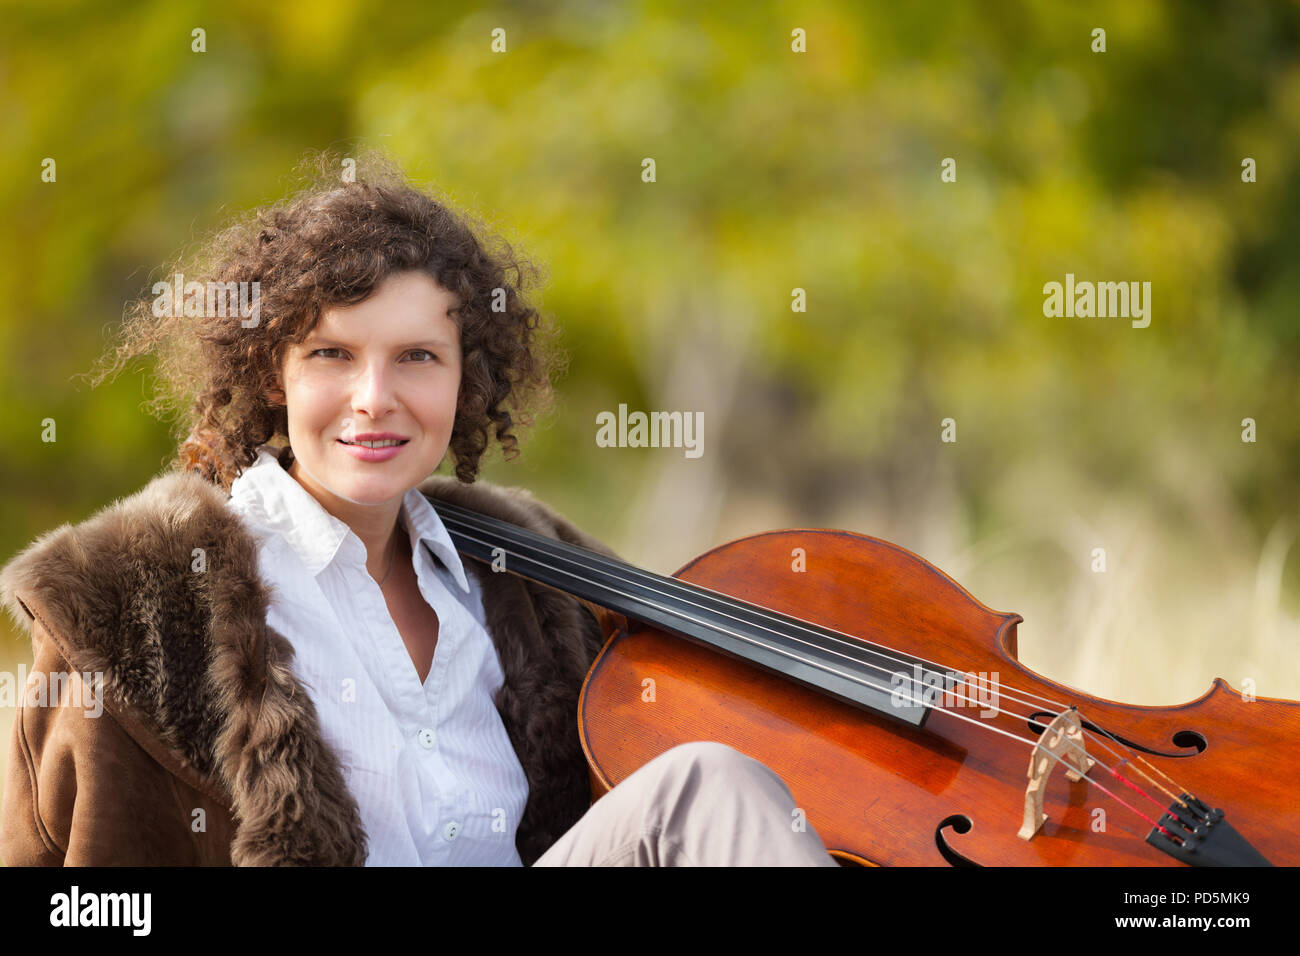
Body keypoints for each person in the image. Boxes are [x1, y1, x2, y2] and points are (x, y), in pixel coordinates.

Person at [0, 153, 837, 867]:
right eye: (332, 354)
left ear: (463, 382)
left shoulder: (526, 570)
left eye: (417, 358)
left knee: (705, 787)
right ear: (270, 375)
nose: (375, 399)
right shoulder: (138, 603)